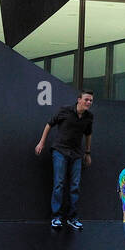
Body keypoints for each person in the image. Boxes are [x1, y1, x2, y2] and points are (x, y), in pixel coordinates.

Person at [35, 91, 94, 230]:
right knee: (59, 184)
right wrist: (41, 143)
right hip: (60, 151)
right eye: (86, 100)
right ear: (79, 100)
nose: (89, 103)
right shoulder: (65, 110)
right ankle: (56, 217)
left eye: (91, 101)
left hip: (77, 154)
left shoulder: (89, 117)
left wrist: (87, 152)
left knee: (75, 186)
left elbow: (88, 134)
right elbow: (49, 124)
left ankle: (72, 218)